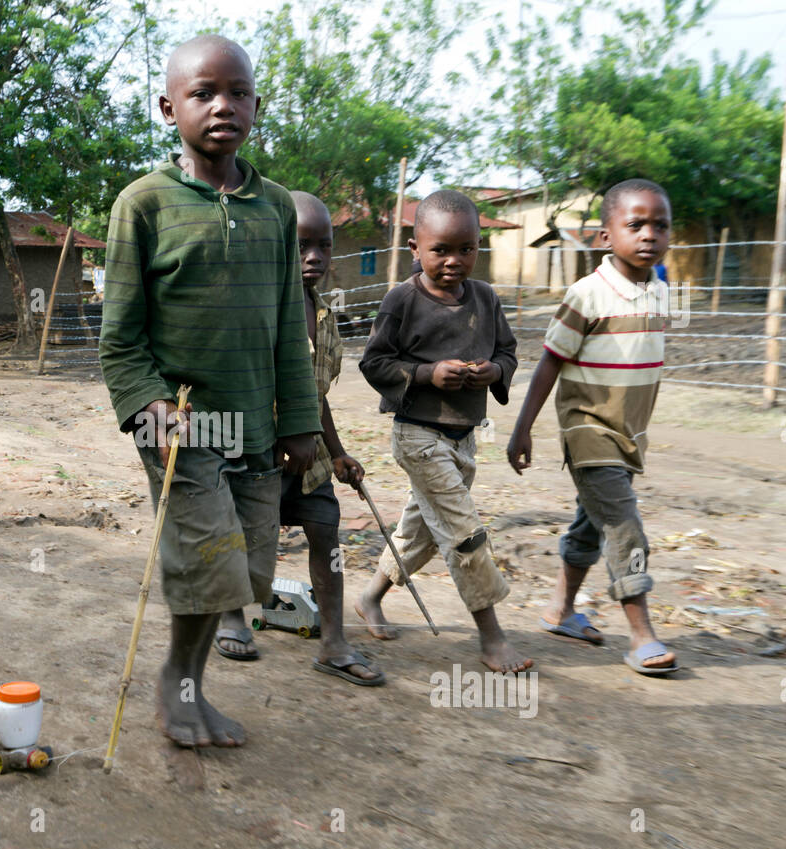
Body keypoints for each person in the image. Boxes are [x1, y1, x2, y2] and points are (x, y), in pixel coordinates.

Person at [99, 34, 322, 748]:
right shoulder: (143, 205)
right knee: (210, 560)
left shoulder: (277, 207)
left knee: (248, 573)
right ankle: (177, 683)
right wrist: (149, 404)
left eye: (238, 92)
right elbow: (120, 334)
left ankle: (190, 681)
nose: (223, 105)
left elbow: (293, 322)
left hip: (256, 423)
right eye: (203, 93)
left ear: (257, 103)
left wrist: (301, 419)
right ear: (169, 108)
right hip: (181, 425)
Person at [506, 178, 678, 676]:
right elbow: (549, 364)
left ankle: (560, 609)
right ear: (605, 237)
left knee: (591, 521)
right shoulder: (586, 294)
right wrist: (523, 429)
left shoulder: (660, 293)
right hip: (589, 431)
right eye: (636, 224)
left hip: (628, 436)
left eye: (660, 225)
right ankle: (642, 634)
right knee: (626, 529)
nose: (649, 234)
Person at [357, 190, 531, 674]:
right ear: (415, 248)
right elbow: (373, 362)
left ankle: (370, 597)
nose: (455, 261)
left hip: (465, 437)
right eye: (440, 250)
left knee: (422, 533)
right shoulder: (402, 301)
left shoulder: (486, 298)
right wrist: (427, 374)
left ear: (479, 246)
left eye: (467, 249)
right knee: (461, 531)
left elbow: (509, 353)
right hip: (417, 435)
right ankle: (492, 638)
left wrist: (493, 374)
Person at [214, 191, 382, 685]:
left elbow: (317, 394)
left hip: (309, 458)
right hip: (256, 452)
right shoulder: (255, 308)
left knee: (327, 535)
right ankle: (231, 617)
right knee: (245, 538)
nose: (314, 257)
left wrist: (338, 450)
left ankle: (334, 641)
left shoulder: (327, 314)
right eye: (300, 245)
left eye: (324, 246)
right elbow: (241, 385)